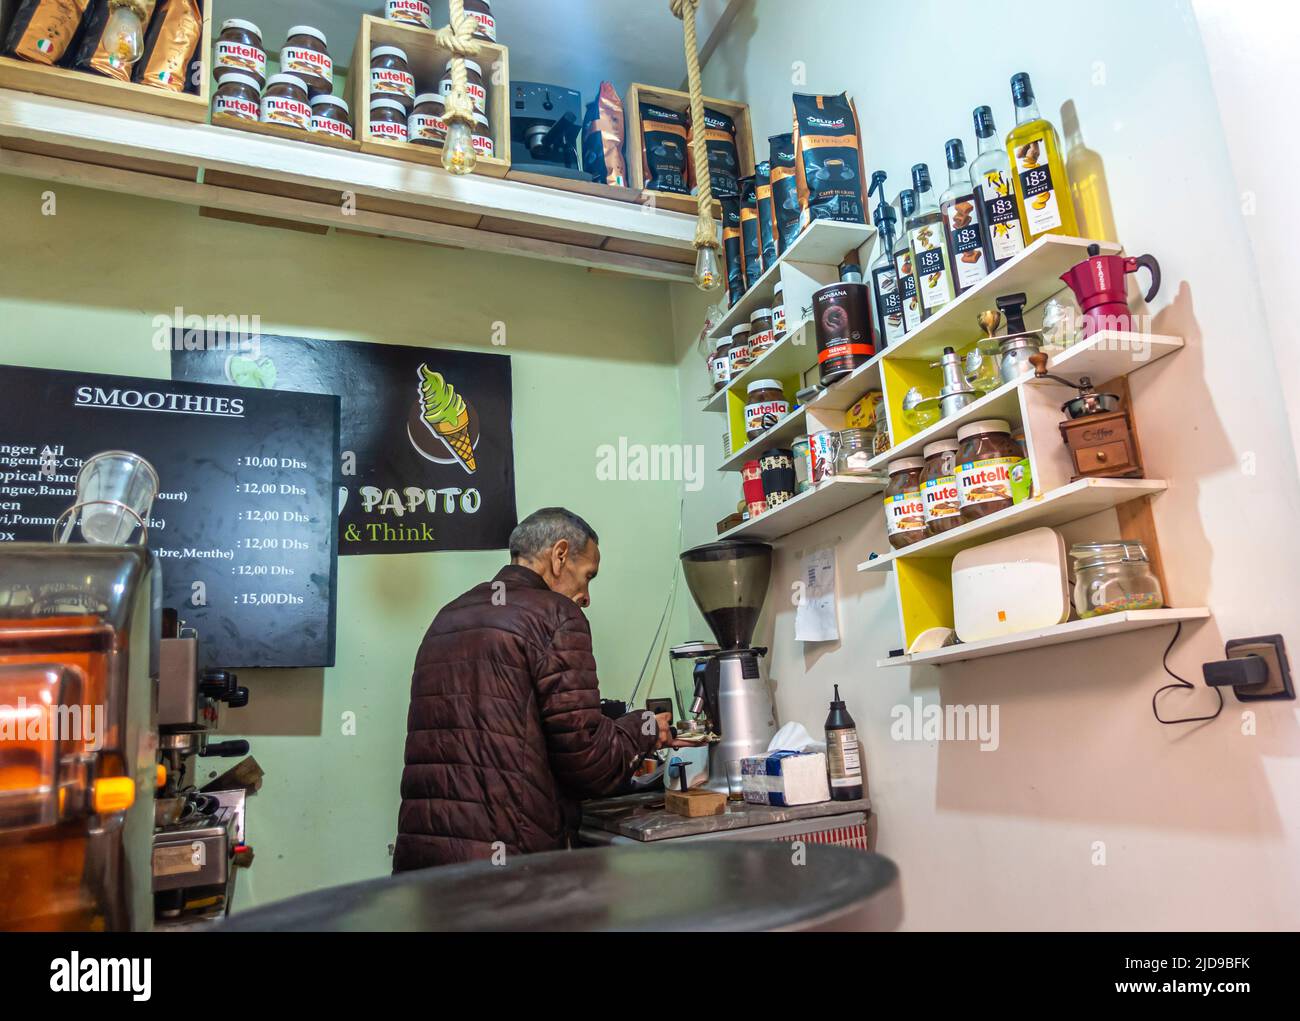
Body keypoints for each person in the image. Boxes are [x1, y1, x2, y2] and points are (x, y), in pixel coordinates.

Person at [393, 507, 673, 870]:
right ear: (559, 556)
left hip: (427, 865)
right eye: (588, 576)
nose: (586, 595)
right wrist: (644, 728)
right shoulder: (555, 616)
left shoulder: (448, 617)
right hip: (510, 866)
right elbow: (590, 765)